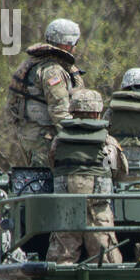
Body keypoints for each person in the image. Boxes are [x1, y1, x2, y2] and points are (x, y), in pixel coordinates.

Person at [46, 90, 129, 264]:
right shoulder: (108, 144)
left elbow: (55, 167)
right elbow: (115, 173)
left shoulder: (58, 142)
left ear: (72, 112)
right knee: (106, 263)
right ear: (97, 113)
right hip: (99, 214)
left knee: (60, 264)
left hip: (66, 214)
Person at [7, 18, 86, 167]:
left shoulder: (31, 64)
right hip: (44, 140)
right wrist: (79, 143)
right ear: (67, 43)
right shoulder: (52, 71)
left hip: (29, 136)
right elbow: (60, 111)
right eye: (74, 43)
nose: (75, 47)